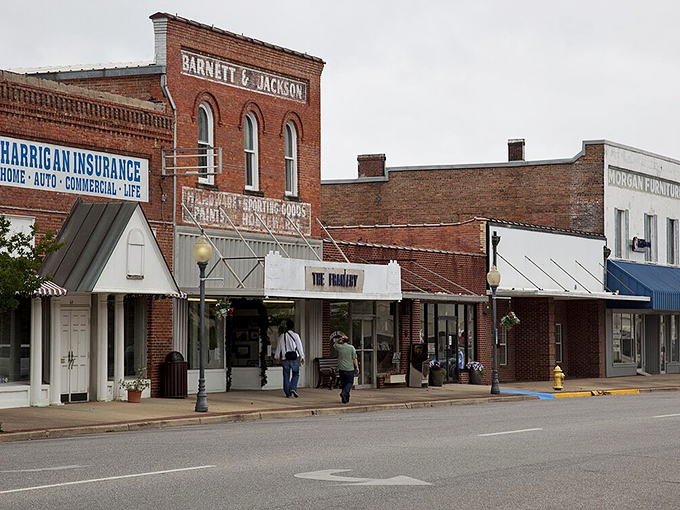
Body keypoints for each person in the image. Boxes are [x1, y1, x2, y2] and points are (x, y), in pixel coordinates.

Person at [274, 319, 305, 398]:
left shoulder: (282, 336)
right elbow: (299, 346)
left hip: (285, 358)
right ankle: (293, 387)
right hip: (294, 358)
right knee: (296, 374)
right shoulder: (296, 336)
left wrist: (277, 356)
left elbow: (279, 347)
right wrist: (302, 356)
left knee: (286, 376)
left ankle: (287, 393)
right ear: (293, 327)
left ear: (286, 326)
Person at [332, 332, 359, 403]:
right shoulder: (351, 348)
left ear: (342, 341)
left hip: (342, 369)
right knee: (350, 382)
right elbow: (354, 358)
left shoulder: (340, 347)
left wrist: (339, 339)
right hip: (350, 368)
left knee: (344, 383)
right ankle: (344, 393)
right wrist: (357, 367)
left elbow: (334, 344)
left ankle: (345, 398)